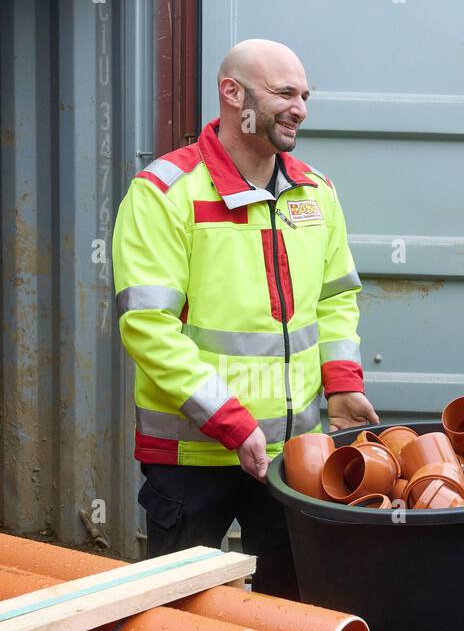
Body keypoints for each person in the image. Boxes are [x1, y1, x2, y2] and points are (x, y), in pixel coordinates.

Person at [111, 39, 377, 600]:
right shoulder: (164, 192)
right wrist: (231, 421)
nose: (300, 107)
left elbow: (335, 301)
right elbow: (147, 326)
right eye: (285, 92)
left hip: (292, 455)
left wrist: (342, 384)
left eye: (305, 95)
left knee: (288, 610)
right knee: (177, 616)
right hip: (192, 457)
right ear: (232, 94)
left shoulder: (316, 193)